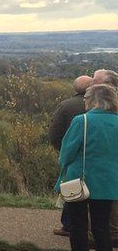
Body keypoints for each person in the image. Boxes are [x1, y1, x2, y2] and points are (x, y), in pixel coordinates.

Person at [58, 84, 118, 251]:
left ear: (93, 100)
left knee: (78, 224)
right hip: (108, 181)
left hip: (80, 179)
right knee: (102, 224)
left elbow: (66, 153)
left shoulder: (81, 121)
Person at [49, 75, 93, 236]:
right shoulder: (106, 107)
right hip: (100, 157)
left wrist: (62, 150)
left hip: (73, 155)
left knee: (72, 189)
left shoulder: (66, 106)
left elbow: (55, 132)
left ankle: (68, 225)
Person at [89, 70, 118, 248]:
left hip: (100, 165)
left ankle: (102, 236)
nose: (92, 84)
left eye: (96, 81)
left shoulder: (94, 112)